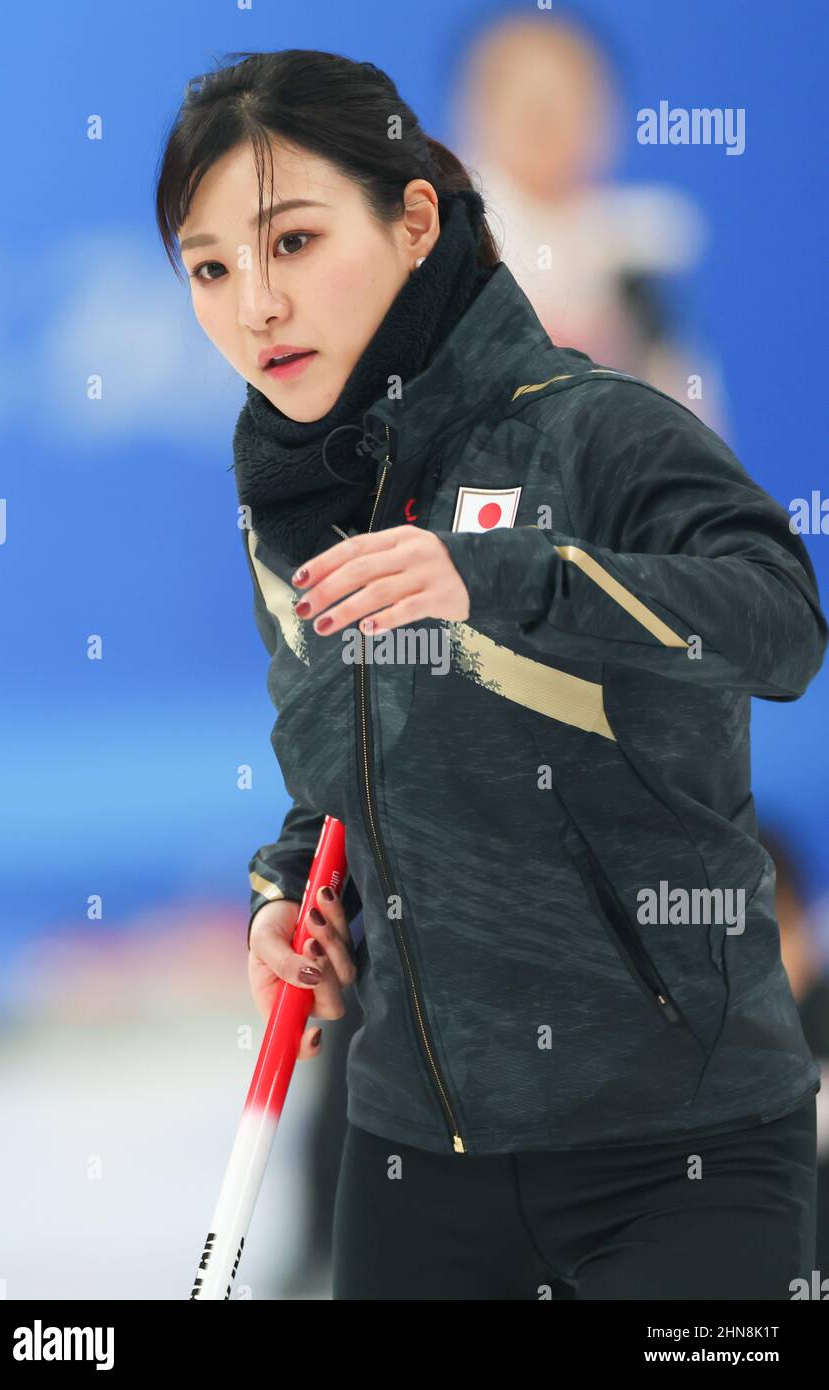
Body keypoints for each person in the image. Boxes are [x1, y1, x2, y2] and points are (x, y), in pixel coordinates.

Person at [155, 49, 827, 1300]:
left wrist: (506, 578)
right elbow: (355, 766)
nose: (253, 304)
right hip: (415, 1167)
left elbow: (782, 625)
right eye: (210, 268)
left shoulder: (602, 427)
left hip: (678, 1163)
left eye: (291, 242)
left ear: (413, 222)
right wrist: (288, 891)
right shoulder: (289, 511)